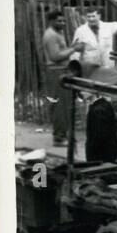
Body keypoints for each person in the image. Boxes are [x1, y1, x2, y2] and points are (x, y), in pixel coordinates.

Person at [42, 11, 84, 145]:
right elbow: (55, 57)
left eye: (64, 21)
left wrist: (71, 48)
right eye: (59, 21)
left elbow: (61, 52)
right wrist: (74, 49)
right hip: (56, 72)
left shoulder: (57, 33)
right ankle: (59, 137)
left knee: (65, 105)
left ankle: (63, 135)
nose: (63, 23)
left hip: (62, 71)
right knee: (59, 105)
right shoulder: (51, 35)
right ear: (51, 21)